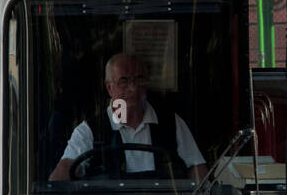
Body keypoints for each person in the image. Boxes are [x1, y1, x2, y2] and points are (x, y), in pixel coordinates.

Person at [48, 53, 207, 182]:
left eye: (139, 79)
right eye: (124, 81)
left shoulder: (172, 123)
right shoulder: (89, 131)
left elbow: (196, 168)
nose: (133, 88)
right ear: (109, 87)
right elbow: (63, 172)